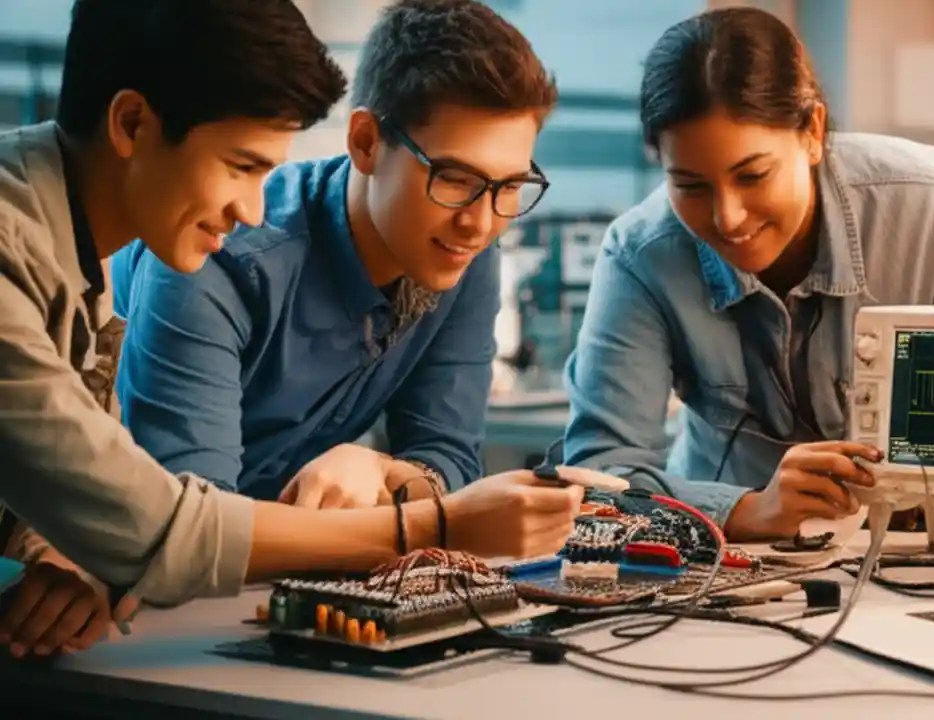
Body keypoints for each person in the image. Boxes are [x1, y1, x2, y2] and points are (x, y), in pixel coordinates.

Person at [0, 0, 583, 660]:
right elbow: (158, 526)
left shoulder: (76, 248)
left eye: (508, 188)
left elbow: (59, 479)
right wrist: (433, 522)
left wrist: (62, 541)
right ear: (132, 122)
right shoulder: (79, 250)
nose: (250, 208)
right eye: (240, 165)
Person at [563, 7, 934, 542]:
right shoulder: (639, 253)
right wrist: (749, 510)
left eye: (752, 175)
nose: (727, 217)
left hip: (920, 552)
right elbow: (597, 481)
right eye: (690, 185)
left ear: (812, 131)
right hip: (730, 558)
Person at [111, 0, 558, 512]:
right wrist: (423, 521)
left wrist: (384, 470)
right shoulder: (216, 255)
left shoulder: (464, 252)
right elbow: (198, 526)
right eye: (454, 179)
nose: (480, 223)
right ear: (365, 142)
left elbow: (447, 455)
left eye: (510, 187)